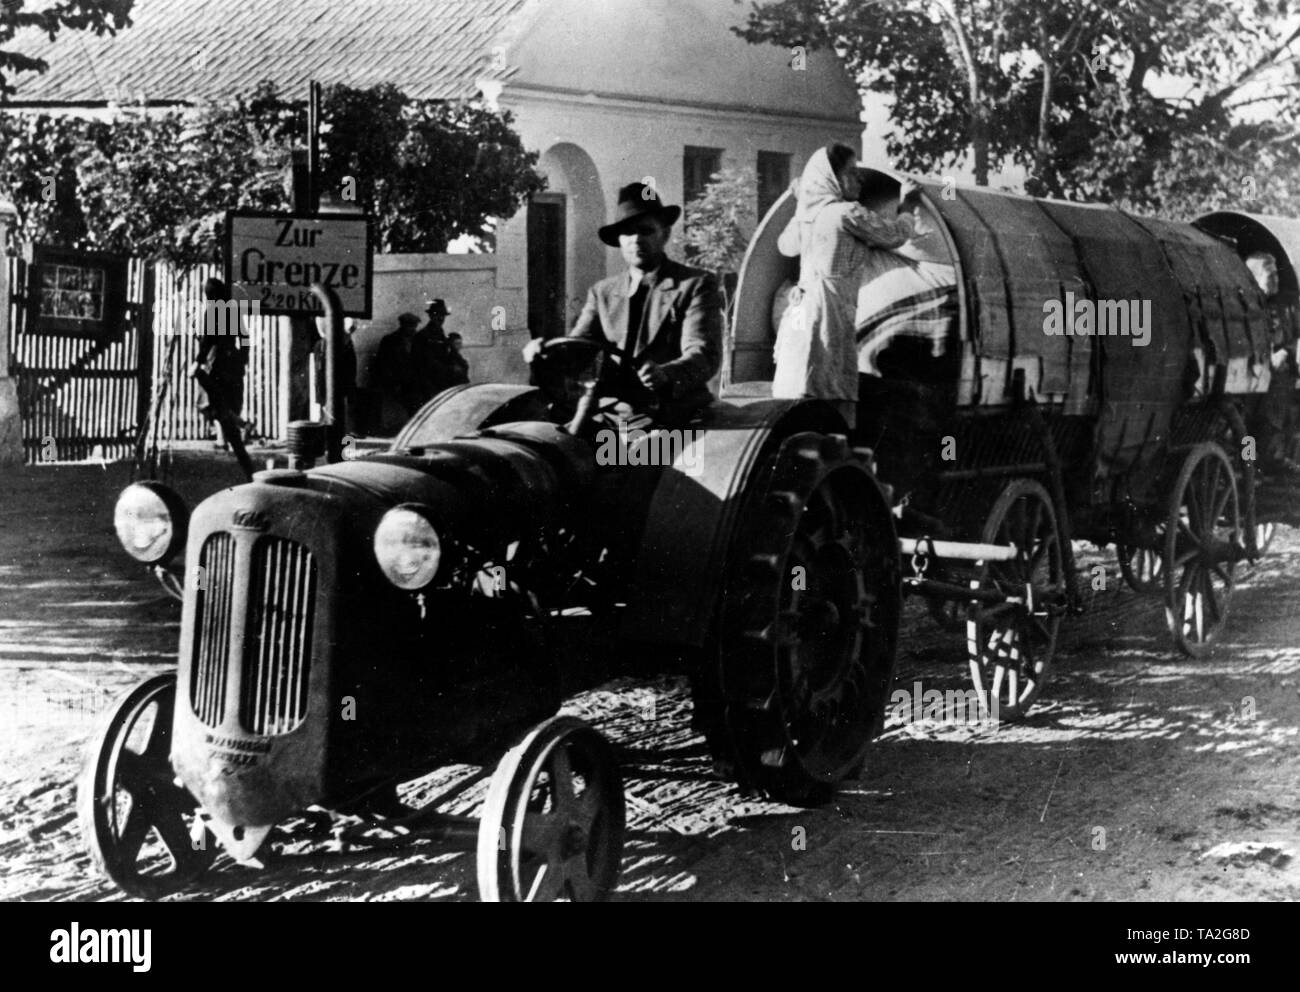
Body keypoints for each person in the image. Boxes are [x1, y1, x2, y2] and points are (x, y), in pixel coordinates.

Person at [523, 181, 723, 425]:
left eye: (646, 230)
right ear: (619, 240)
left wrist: (666, 374)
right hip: (614, 411)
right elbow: (578, 350)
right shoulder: (602, 292)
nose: (636, 239)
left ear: (665, 234)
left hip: (674, 412)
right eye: (628, 232)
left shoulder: (694, 285)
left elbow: (703, 354)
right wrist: (543, 352)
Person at [772, 144, 920, 427]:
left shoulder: (807, 216)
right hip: (829, 311)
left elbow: (785, 246)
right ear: (833, 180)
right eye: (851, 173)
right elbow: (894, 236)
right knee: (830, 391)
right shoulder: (845, 213)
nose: (860, 179)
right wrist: (908, 206)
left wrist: (801, 203)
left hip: (800, 314)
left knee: (801, 386)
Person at [374, 312, 445, 420]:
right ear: (402, 325)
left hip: (414, 380)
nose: (413, 329)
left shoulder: (418, 339)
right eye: (410, 326)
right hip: (397, 381)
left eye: (414, 326)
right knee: (415, 400)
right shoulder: (390, 340)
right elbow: (383, 363)